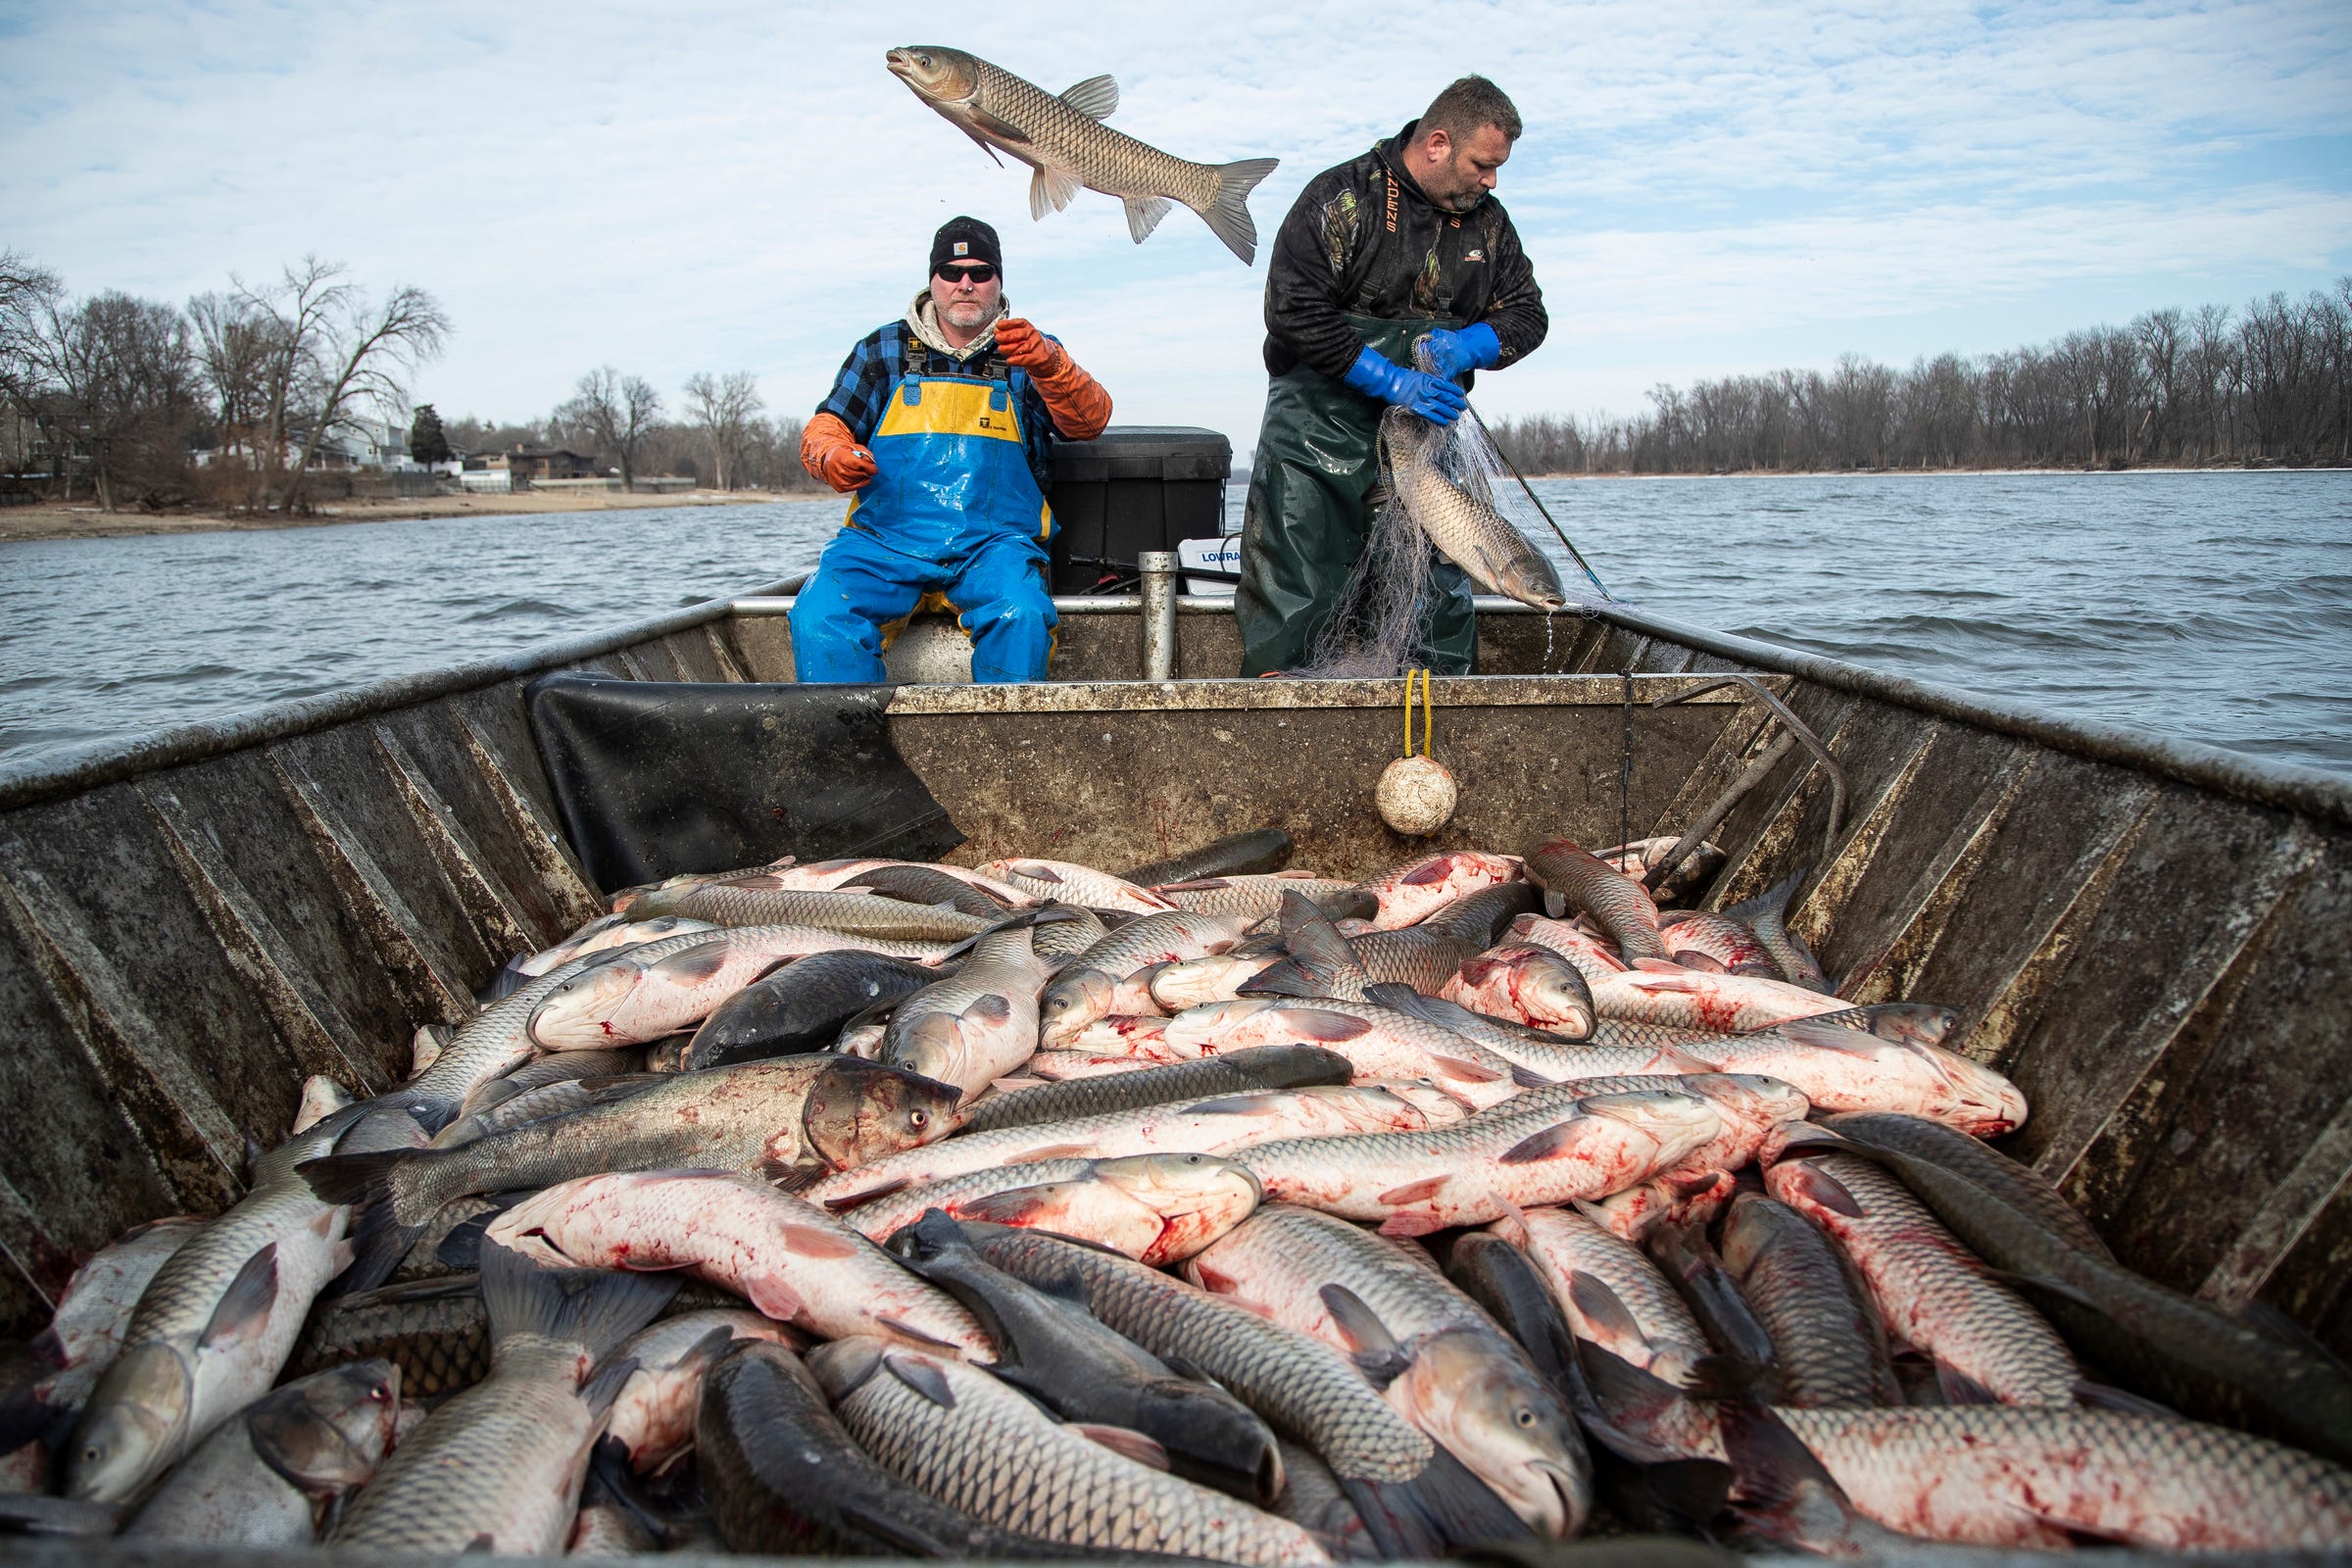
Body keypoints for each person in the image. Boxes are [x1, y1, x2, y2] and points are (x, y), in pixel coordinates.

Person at [1235, 76, 1547, 676]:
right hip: (1317, 430)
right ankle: (1285, 727)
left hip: (1426, 438)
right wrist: (1389, 379)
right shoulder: (1342, 197)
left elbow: (1528, 314)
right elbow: (1294, 311)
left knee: (1435, 590)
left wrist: (1472, 344)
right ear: (1437, 143)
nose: (1492, 181)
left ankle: (1436, 724)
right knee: (1299, 578)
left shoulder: (1489, 224)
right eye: (1483, 165)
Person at [792, 217, 1112, 683]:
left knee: (1019, 616)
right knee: (819, 617)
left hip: (994, 546)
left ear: (998, 282)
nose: (966, 284)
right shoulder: (882, 349)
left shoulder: (1032, 350)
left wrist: (1051, 364)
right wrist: (830, 454)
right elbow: (829, 424)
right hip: (882, 544)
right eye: (952, 271)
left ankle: (1005, 751)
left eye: (980, 272)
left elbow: (1090, 421)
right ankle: (851, 751)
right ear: (932, 281)